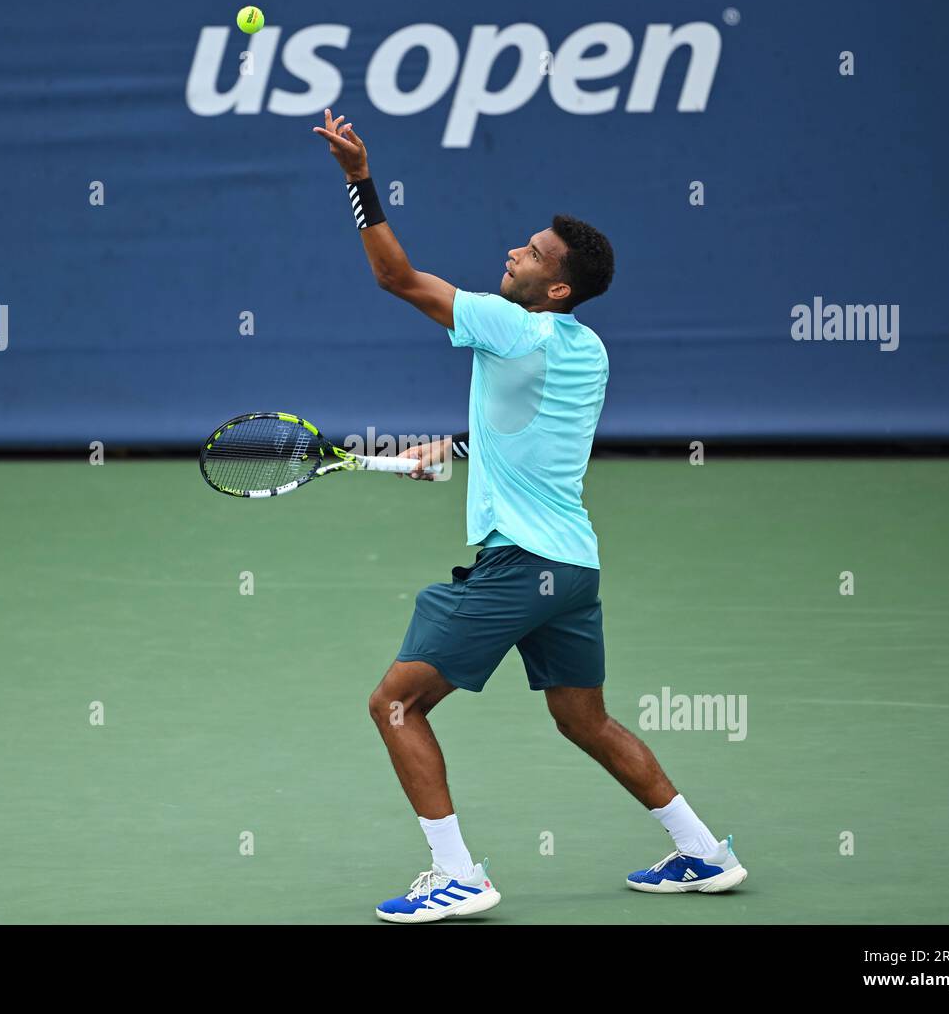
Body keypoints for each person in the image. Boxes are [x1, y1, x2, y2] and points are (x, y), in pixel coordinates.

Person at [312, 110, 747, 923]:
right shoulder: (585, 348)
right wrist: (452, 447)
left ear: (556, 288)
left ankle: (457, 873)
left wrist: (358, 180)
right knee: (584, 717)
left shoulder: (513, 327)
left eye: (535, 253)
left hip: (518, 563)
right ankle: (703, 850)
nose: (516, 249)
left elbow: (397, 278)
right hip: (572, 568)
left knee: (395, 703)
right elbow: (530, 427)